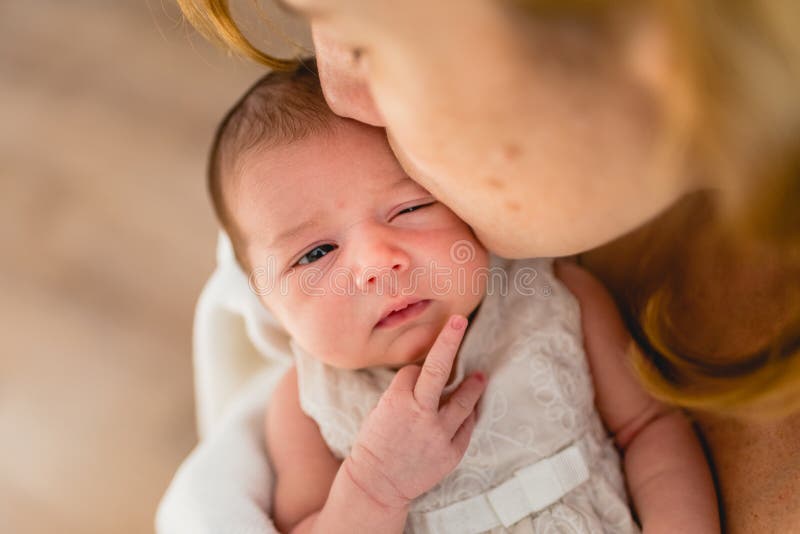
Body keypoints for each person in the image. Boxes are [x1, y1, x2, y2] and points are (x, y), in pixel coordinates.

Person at [177, 1, 800, 531]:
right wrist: (373, 489)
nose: (376, 264)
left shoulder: (554, 301)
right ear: (265, 300)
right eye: (315, 253)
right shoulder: (309, 404)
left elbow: (649, 429)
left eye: (412, 207)